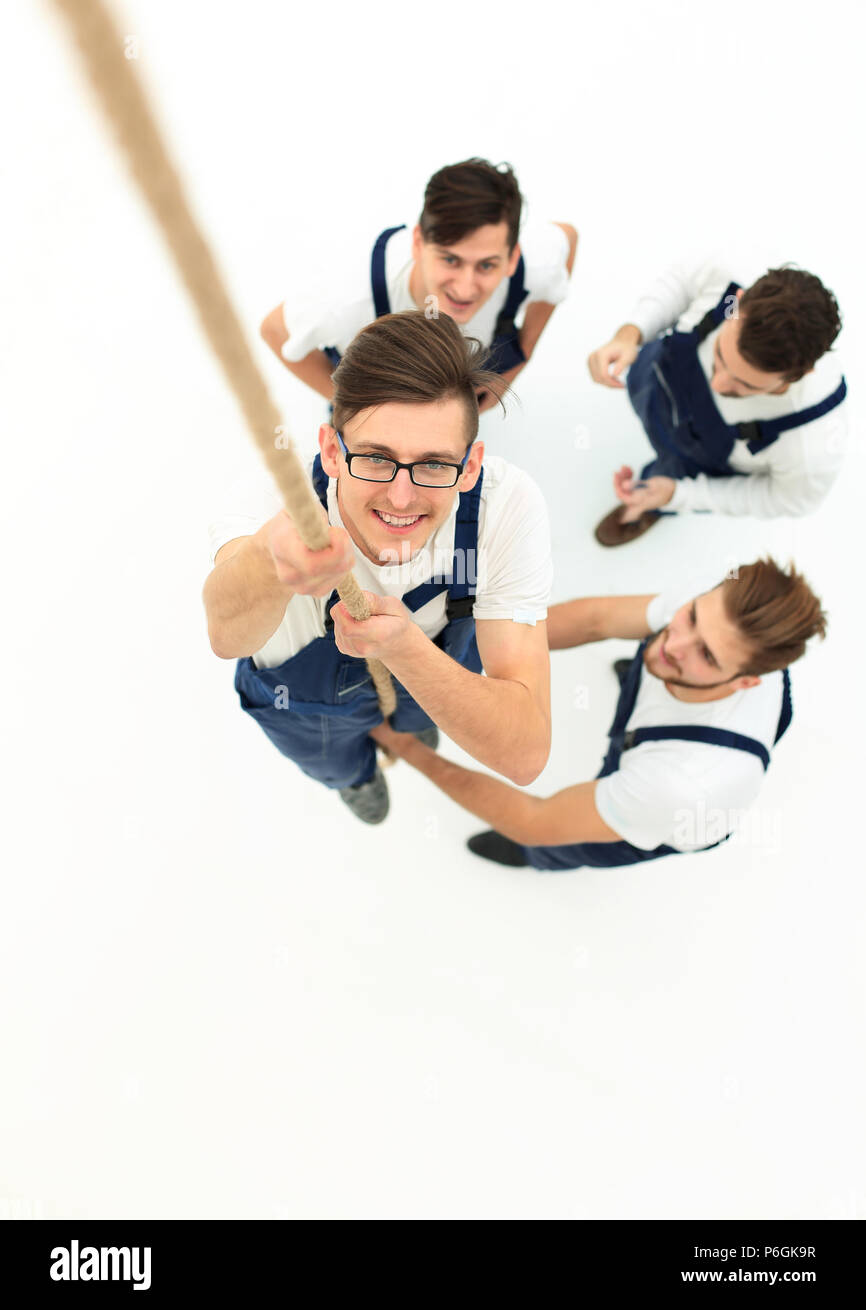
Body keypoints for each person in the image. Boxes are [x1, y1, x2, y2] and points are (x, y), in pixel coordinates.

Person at [204, 310, 553, 824]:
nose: (402, 496)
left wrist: (406, 650)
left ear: (471, 465)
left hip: (428, 671)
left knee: (423, 710)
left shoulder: (506, 505)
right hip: (306, 712)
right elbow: (225, 637)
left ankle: (414, 721)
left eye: (435, 463)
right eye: (374, 457)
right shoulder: (270, 498)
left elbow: (525, 755)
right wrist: (266, 561)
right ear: (330, 450)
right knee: (330, 760)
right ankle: (352, 777)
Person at [370, 559, 827, 869]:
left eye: (706, 656)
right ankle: (652, 687)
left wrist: (406, 746)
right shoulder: (720, 614)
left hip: (663, 809)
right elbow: (597, 620)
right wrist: (467, 652)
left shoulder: (675, 787)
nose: (671, 643)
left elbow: (534, 816)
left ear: (748, 681)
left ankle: (536, 860)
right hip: (670, 746)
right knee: (655, 663)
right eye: (689, 618)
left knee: (559, 840)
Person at [260, 158, 577, 412]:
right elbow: (275, 329)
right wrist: (354, 410)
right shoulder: (352, 298)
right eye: (450, 260)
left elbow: (568, 238)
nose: (466, 289)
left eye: (486, 265)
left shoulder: (535, 263)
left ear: (512, 257)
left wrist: (521, 356)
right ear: (418, 244)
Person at [586, 262, 847, 545]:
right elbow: (681, 283)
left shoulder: (813, 446)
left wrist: (679, 495)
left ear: (801, 374)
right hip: (653, 379)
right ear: (739, 300)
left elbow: (782, 499)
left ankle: (654, 503)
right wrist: (629, 335)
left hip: (693, 462)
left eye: (746, 384)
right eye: (720, 355)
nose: (718, 385)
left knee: (664, 482)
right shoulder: (731, 273)